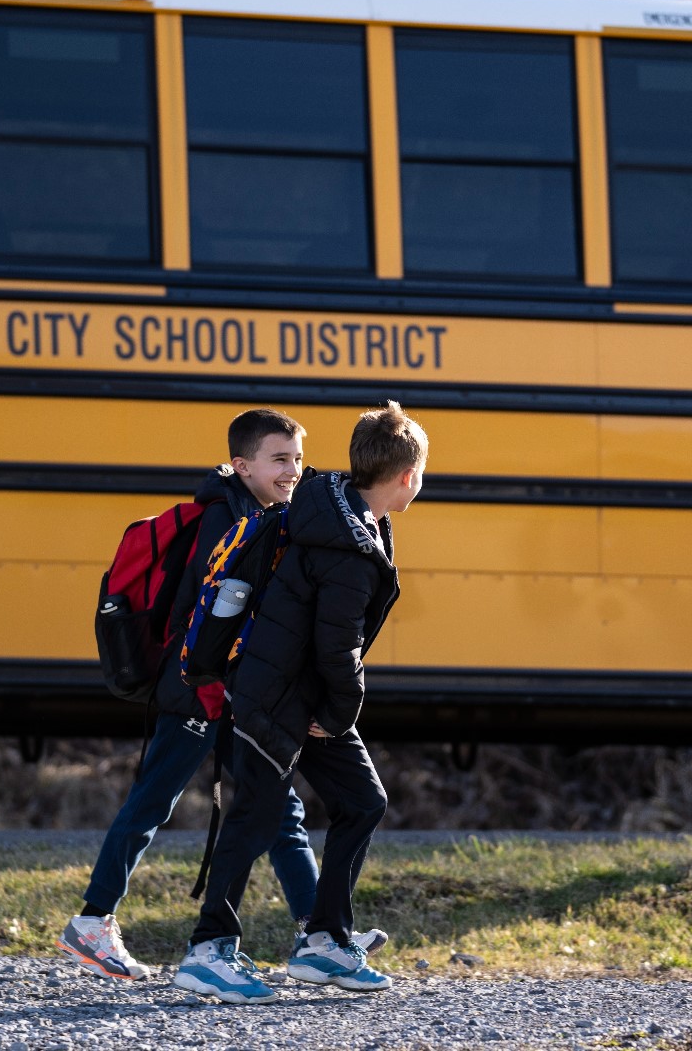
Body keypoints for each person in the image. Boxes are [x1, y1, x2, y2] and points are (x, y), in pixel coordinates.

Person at [57, 408, 385, 981]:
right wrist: (226, 683)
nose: (293, 470)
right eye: (279, 459)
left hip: (236, 694)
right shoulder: (225, 519)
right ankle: (92, 921)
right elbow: (208, 618)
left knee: (279, 809)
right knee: (153, 802)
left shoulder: (265, 514)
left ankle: (317, 931)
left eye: (298, 458)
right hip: (200, 692)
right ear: (243, 465)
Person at [174, 401, 428, 1004]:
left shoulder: (349, 515)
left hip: (302, 693)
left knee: (361, 800)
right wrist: (338, 713)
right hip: (276, 693)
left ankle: (324, 942)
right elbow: (338, 645)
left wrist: (329, 709)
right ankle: (208, 951)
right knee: (256, 813)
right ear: (406, 477)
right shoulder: (347, 545)